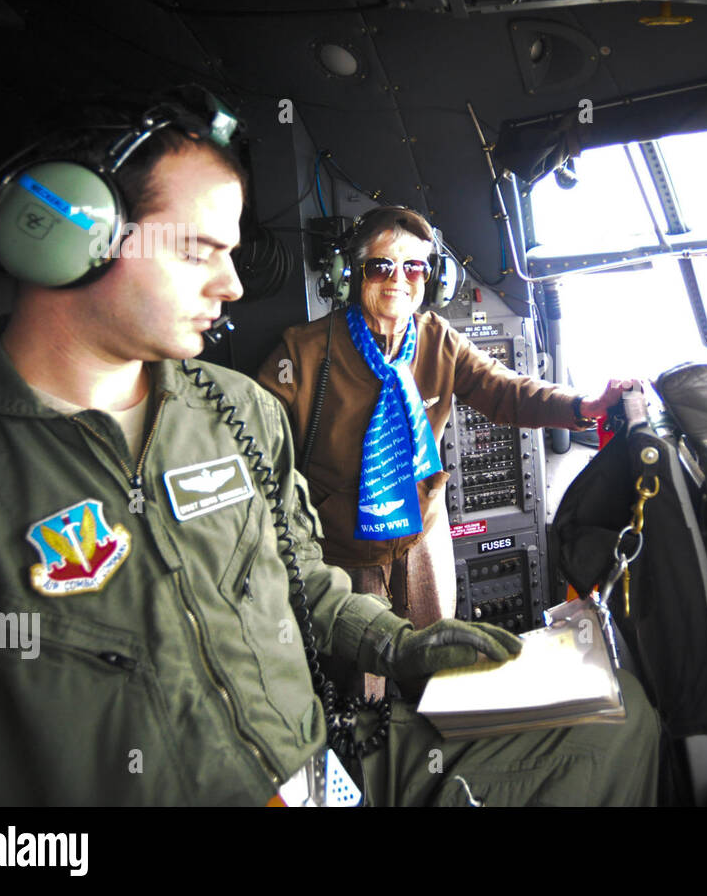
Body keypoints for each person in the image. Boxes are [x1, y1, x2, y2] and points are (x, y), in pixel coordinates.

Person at [0, 89, 658, 806]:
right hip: (225, 749)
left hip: (314, 768)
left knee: (620, 716)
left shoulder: (237, 408)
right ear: (72, 234)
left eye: (414, 270)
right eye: (197, 250)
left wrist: (404, 647)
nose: (233, 283)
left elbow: (300, 571)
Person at [255, 207, 636, 688]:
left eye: (413, 267)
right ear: (352, 274)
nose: (399, 279)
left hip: (423, 544)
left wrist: (585, 406)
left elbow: (507, 391)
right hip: (345, 555)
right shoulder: (303, 352)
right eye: (381, 266)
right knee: (358, 693)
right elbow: (255, 449)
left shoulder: (438, 340)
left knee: (438, 676)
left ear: (430, 280)